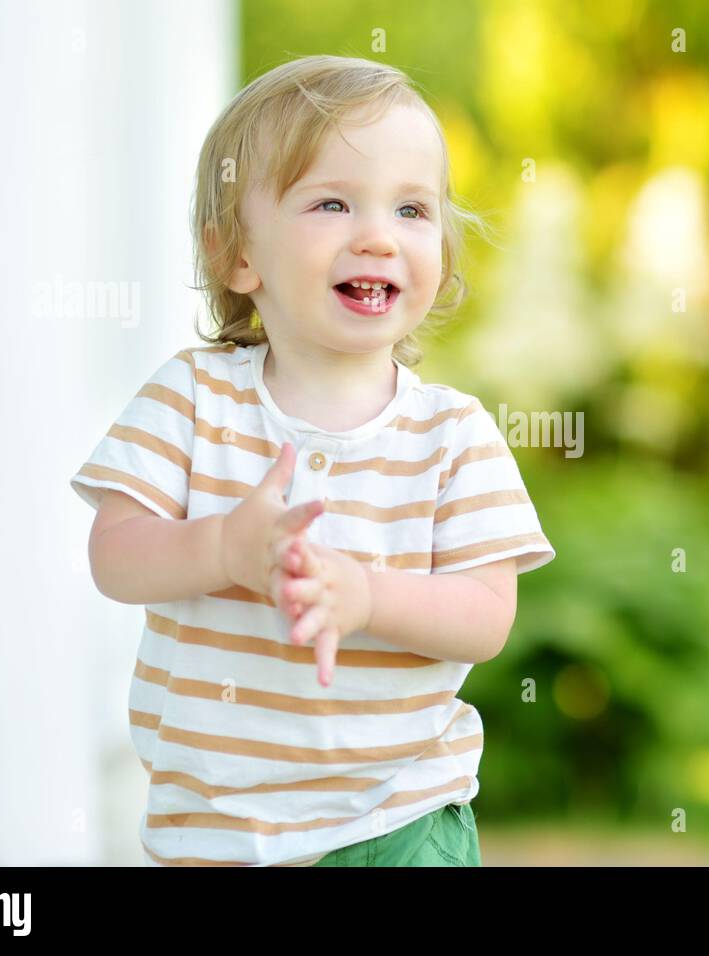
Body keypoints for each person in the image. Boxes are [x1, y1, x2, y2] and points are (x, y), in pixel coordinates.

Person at [70, 54, 555, 867]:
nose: (377, 235)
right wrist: (221, 547)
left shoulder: (453, 435)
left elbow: (485, 613)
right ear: (237, 256)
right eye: (331, 202)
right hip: (217, 833)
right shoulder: (193, 400)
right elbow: (115, 557)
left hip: (398, 821)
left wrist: (364, 594)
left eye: (412, 209)